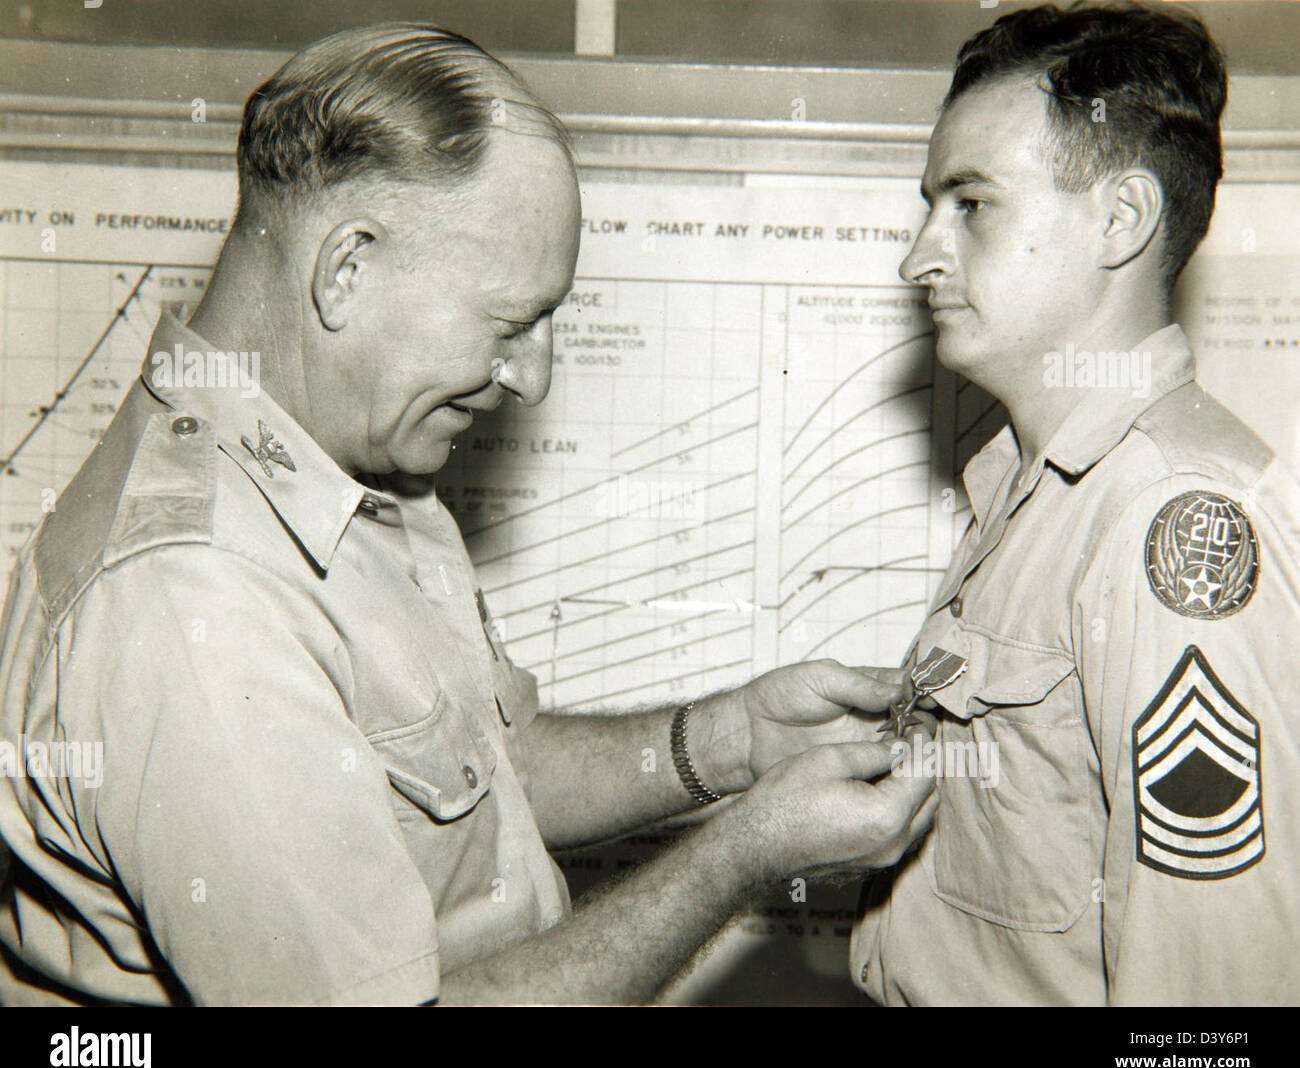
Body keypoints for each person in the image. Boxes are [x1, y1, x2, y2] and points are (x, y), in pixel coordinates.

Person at [0, 23, 938, 1006]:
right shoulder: (189, 602)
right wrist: (738, 858)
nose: (532, 379)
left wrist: (727, 743)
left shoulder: (350, 468)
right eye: (509, 323)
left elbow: (487, 770)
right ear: (345, 269)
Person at [851, 1, 1300, 1006]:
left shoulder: (1173, 527)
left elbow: (1206, 1016)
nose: (918, 256)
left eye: (970, 203)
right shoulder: (1027, 489)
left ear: (1120, 220)